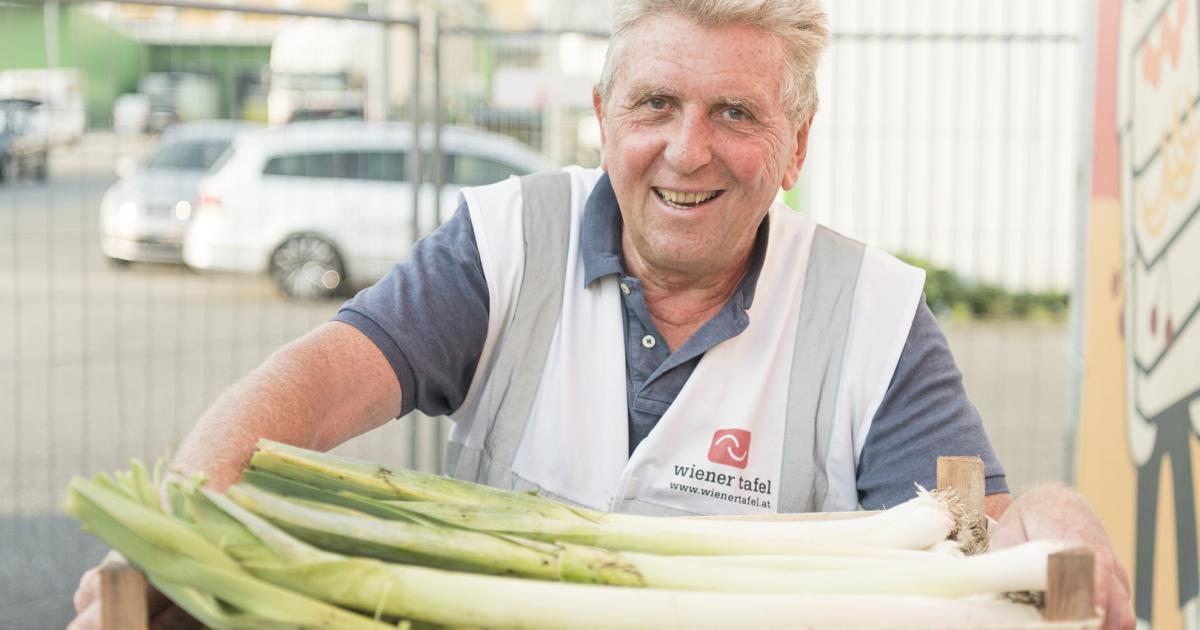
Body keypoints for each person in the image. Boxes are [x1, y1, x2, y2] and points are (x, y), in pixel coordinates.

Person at [70, 1, 1134, 628]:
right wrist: (173, 529)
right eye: (656, 105)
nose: (687, 150)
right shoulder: (499, 245)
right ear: (602, 117)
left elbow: (968, 520)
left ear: (798, 147)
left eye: (734, 114)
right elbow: (300, 392)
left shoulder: (875, 311)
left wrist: (1048, 519)